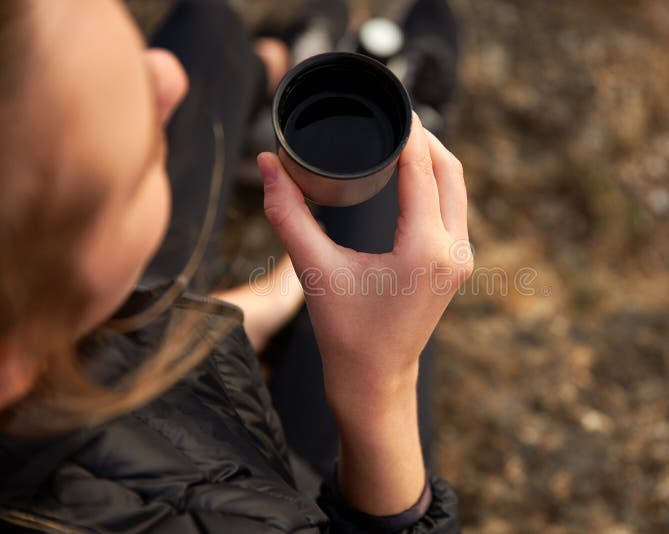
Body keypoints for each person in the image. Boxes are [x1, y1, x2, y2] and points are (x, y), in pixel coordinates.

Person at [0, 0, 470, 532]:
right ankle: (416, 113)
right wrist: (381, 387)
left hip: (140, 348)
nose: (167, 75)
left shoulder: (32, 322)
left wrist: (241, 311)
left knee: (207, 22)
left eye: (135, 55)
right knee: (384, 203)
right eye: (142, 161)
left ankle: (276, 64)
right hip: (294, 476)